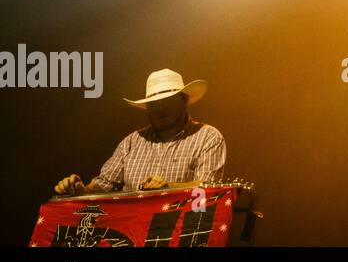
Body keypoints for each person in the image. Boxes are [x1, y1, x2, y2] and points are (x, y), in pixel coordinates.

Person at [53, 68, 226, 195]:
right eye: (153, 104)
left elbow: (209, 190)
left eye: (168, 101)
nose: (160, 109)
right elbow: (104, 184)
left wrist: (168, 187)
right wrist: (78, 188)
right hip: (133, 233)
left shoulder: (207, 137)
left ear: (184, 101)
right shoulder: (131, 142)